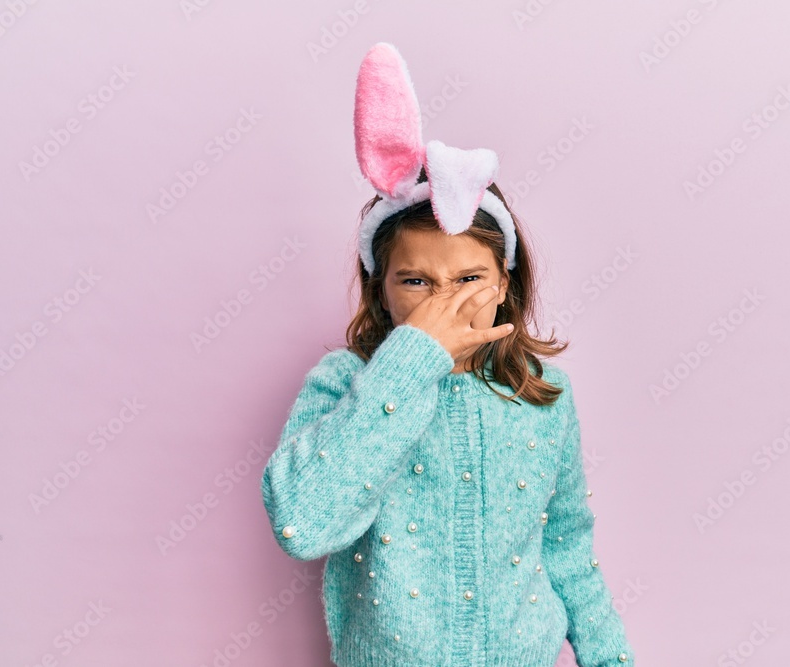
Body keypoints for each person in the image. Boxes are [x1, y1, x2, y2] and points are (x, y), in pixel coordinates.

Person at [260, 42, 635, 667]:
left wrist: (610, 657)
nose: (444, 304)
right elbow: (302, 523)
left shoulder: (544, 394)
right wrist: (411, 361)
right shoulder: (345, 383)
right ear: (381, 290)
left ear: (507, 283)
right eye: (416, 282)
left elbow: (568, 548)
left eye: (468, 280)